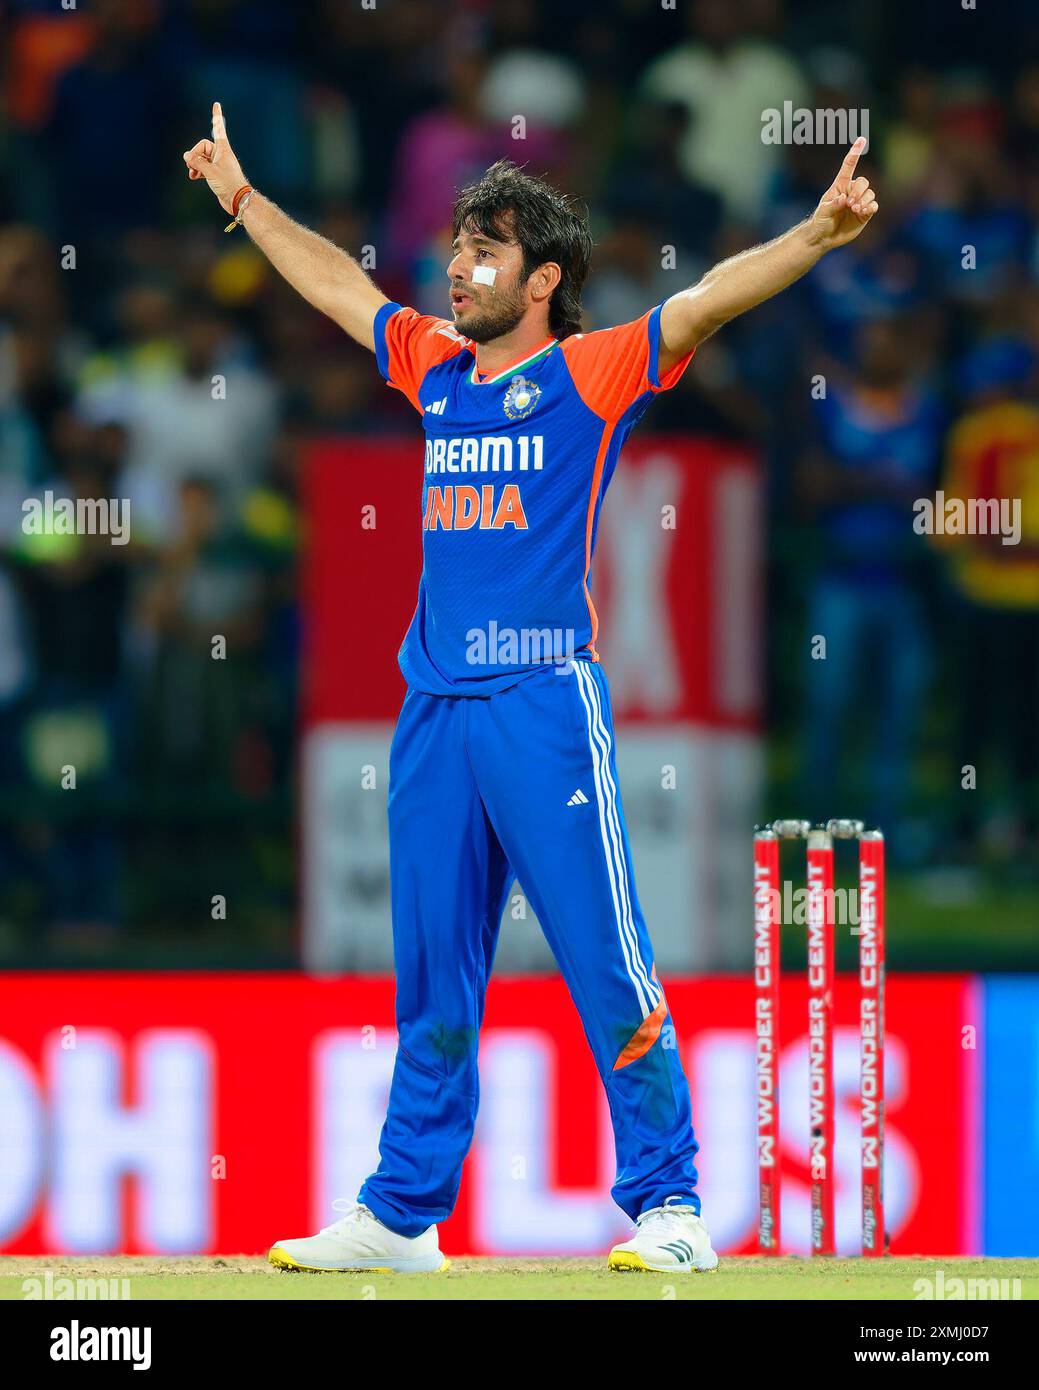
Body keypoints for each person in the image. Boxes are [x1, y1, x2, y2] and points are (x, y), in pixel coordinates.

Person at [183, 103, 878, 1275]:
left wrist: (813, 236)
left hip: (543, 707)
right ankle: (403, 1214)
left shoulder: (591, 372)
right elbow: (336, 293)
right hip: (434, 710)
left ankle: (671, 1206)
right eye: (457, 246)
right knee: (432, 975)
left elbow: (704, 300)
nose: (457, 265)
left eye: (486, 249)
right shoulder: (432, 369)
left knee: (606, 958)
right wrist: (248, 203)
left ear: (543, 277)